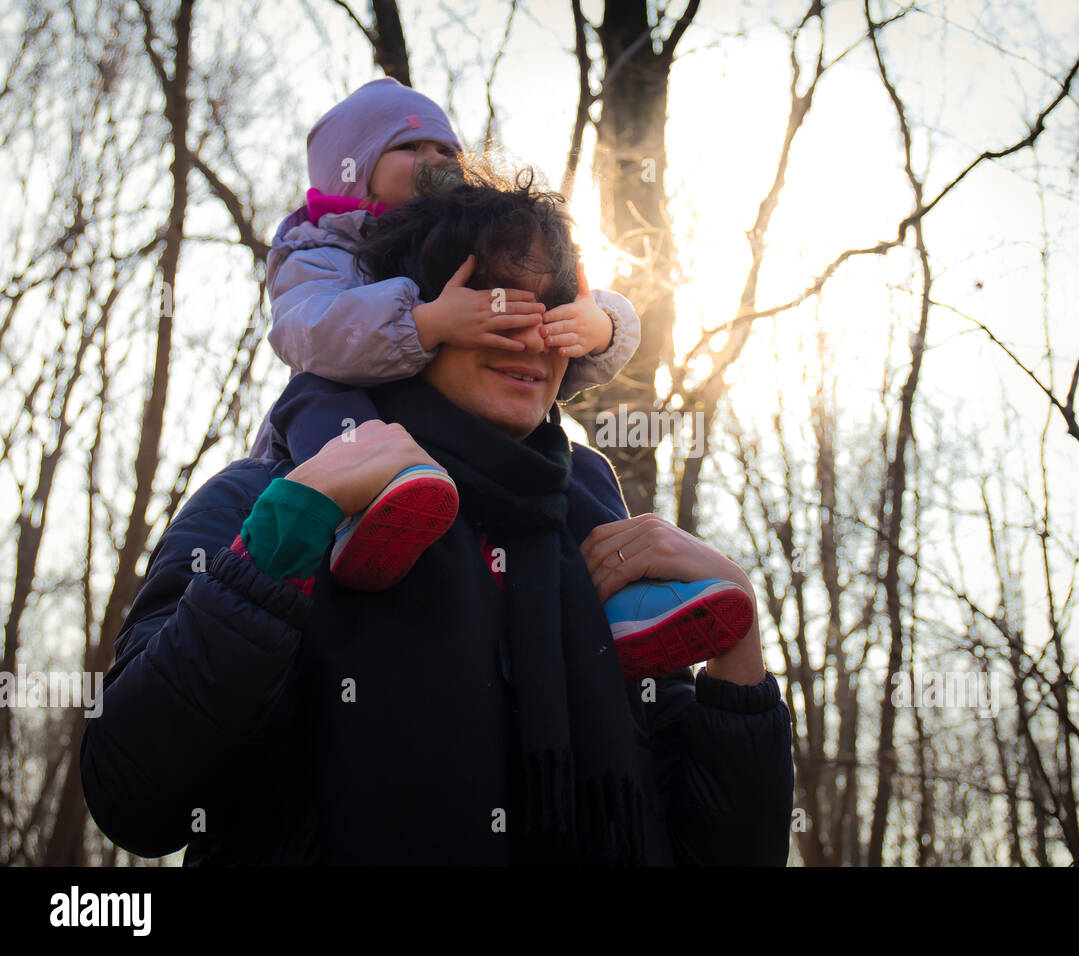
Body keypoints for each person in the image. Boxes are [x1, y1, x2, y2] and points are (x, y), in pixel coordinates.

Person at [80, 170, 794, 866]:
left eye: (553, 312)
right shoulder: (266, 500)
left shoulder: (603, 550)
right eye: (495, 303)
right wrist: (280, 541)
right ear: (411, 316)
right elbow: (135, 795)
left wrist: (739, 664)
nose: (531, 337)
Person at [252, 77, 753, 680]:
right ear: (350, 171)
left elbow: (537, 344)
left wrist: (600, 325)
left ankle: (622, 594)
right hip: (347, 422)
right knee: (317, 396)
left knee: (583, 465)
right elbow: (309, 331)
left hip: (446, 437)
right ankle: (363, 514)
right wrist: (426, 320)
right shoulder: (321, 248)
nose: (435, 161)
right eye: (409, 149)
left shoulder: (477, 238)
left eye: (447, 150)